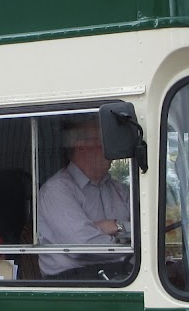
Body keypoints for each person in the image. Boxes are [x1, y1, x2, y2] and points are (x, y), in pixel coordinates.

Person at [35, 117, 132, 278]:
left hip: (122, 274)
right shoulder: (57, 190)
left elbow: (145, 229)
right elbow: (83, 246)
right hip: (74, 283)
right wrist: (128, 242)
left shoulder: (118, 188)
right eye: (105, 142)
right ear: (81, 146)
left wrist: (117, 226)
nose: (112, 149)